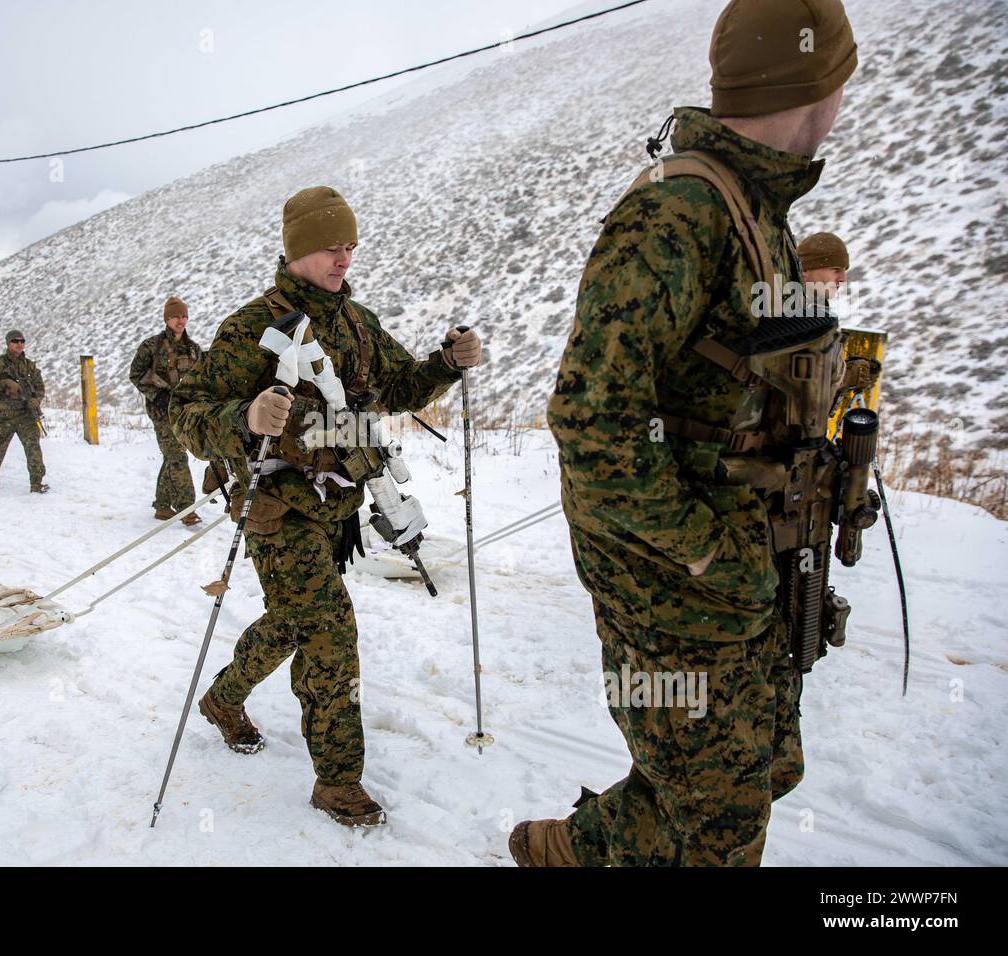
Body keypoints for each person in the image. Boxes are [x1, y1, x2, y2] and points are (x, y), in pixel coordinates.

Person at [520, 0, 858, 865]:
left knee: (763, 771)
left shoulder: (761, 214)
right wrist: (707, 551)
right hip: (675, 595)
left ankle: (572, 849)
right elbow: (590, 425)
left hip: (745, 577)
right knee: (722, 827)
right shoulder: (675, 220)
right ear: (814, 85)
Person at [170, 186, 482, 827]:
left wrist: (446, 364)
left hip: (337, 507)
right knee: (330, 631)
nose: (343, 259)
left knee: (294, 621)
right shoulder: (247, 331)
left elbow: (398, 387)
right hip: (278, 512)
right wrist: (246, 415)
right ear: (296, 252)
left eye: (349, 247)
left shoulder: (357, 322)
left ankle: (224, 700)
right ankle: (338, 781)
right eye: (329, 248)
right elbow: (188, 419)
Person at [129, 296, 203, 523]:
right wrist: (156, 395)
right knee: (178, 457)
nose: (181, 321)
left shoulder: (193, 349)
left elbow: (202, 378)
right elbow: (136, 374)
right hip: (162, 413)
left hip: (186, 412)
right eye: (176, 316)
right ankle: (187, 509)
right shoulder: (152, 346)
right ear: (167, 319)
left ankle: (162, 505)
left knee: (172, 457)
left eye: (184, 316)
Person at [0, 329, 47, 493]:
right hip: (3, 415)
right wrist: (5, 385)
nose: (19, 344)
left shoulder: (29, 366)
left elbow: (40, 387)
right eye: (15, 341)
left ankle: (36, 483)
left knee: (33, 448)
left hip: (25, 414)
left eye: (22, 341)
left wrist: (36, 400)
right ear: (8, 343)